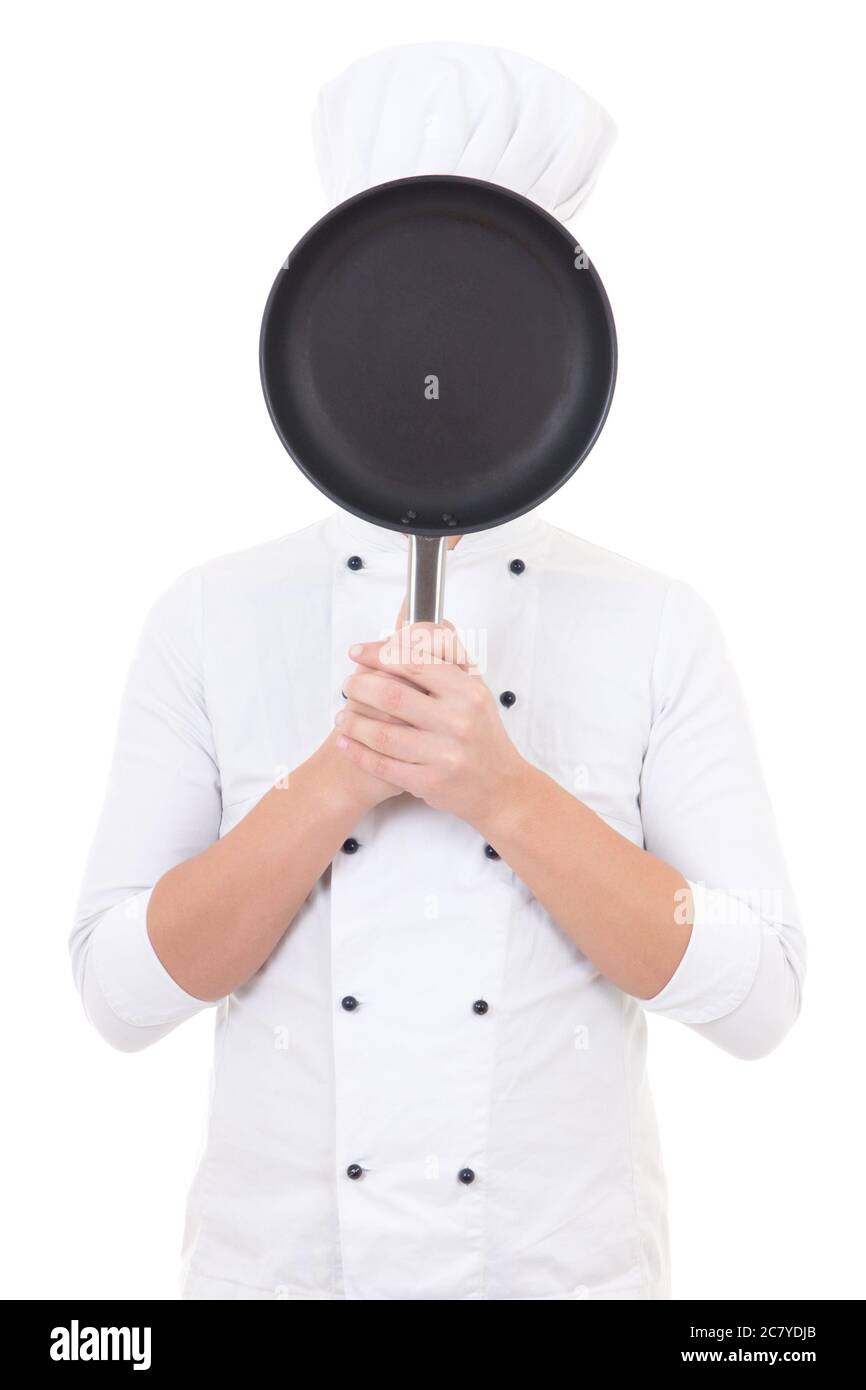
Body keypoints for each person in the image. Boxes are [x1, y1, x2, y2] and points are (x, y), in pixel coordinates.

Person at [71, 43, 805, 1302]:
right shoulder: (210, 615)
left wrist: (505, 794)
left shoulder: (652, 621)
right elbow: (120, 994)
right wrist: (334, 780)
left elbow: (760, 997)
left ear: (547, 340)